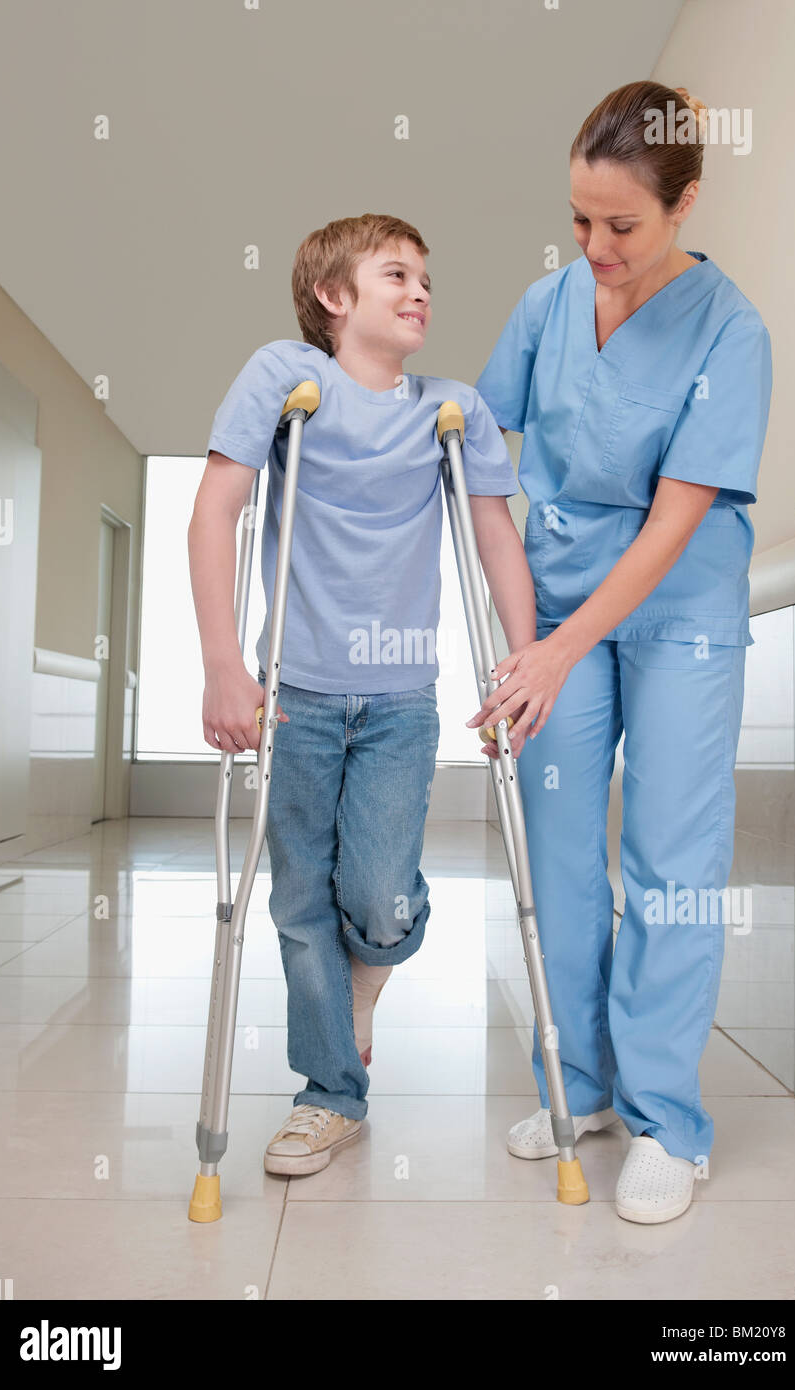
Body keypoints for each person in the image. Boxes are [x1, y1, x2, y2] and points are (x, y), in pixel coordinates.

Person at [466, 81, 773, 1224]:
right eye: (578, 221)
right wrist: (523, 643)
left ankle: (666, 1122)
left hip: (672, 607)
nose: (593, 248)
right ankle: (577, 1087)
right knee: (555, 850)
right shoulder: (548, 302)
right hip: (551, 617)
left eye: (621, 226)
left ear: (683, 203)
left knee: (668, 859)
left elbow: (671, 522)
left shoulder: (729, 329)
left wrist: (558, 648)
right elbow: (490, 461)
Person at [188, 213, 532, 1176]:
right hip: (295, 694)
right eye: (397, 274)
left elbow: (494, 538)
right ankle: (328, 1094)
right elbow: (217, 506)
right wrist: (225, 664)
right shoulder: (283, 375)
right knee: (301, 904)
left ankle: (360, 998)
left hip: (398, 703)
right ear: (335, 298)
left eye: (427, 276)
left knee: (377, 901)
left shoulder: (450, 407)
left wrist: (525, 657)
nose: (421, 291)